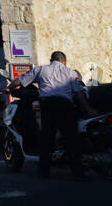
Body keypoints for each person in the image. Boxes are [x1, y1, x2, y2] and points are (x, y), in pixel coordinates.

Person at [12, 51, 94, 179]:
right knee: (71, 139)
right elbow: (79, 93)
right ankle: (77, 173)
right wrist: (88, 109)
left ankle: (44, 172)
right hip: (65, 106)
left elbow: (20, 80)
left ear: (51, 60)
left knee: (47, 138)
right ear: (64, 62)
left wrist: (9, 87)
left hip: (47, 106)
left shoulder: (41, 70)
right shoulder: (71, 72)